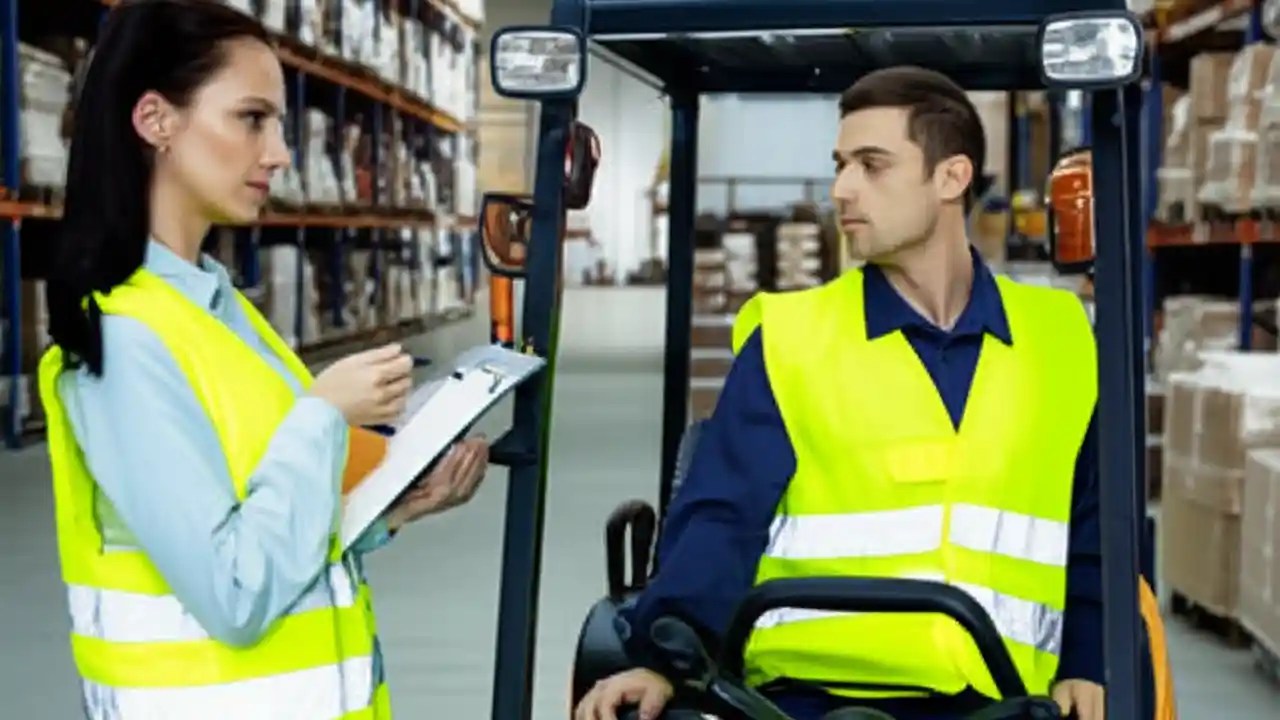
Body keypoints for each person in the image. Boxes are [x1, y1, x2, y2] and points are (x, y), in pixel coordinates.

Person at [575, 66, 1112, 720]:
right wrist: (662, 662)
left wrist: (1090, 661)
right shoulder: (790, 338)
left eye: (872, 165)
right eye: (840, 165)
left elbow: (1094, 527)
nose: (841, 190)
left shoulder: (1060, 340)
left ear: (952, 177)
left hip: (1002, 702)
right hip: (804, 704)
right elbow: (722, 515)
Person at [38, 1, 487, 717]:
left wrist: (388, 511)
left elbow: (262, 521)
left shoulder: (220, 310)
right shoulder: (126, 341)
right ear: (156, 121)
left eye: (278, 123)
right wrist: (322, 415)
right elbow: (234, 592)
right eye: (251, 119)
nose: (279, 153)